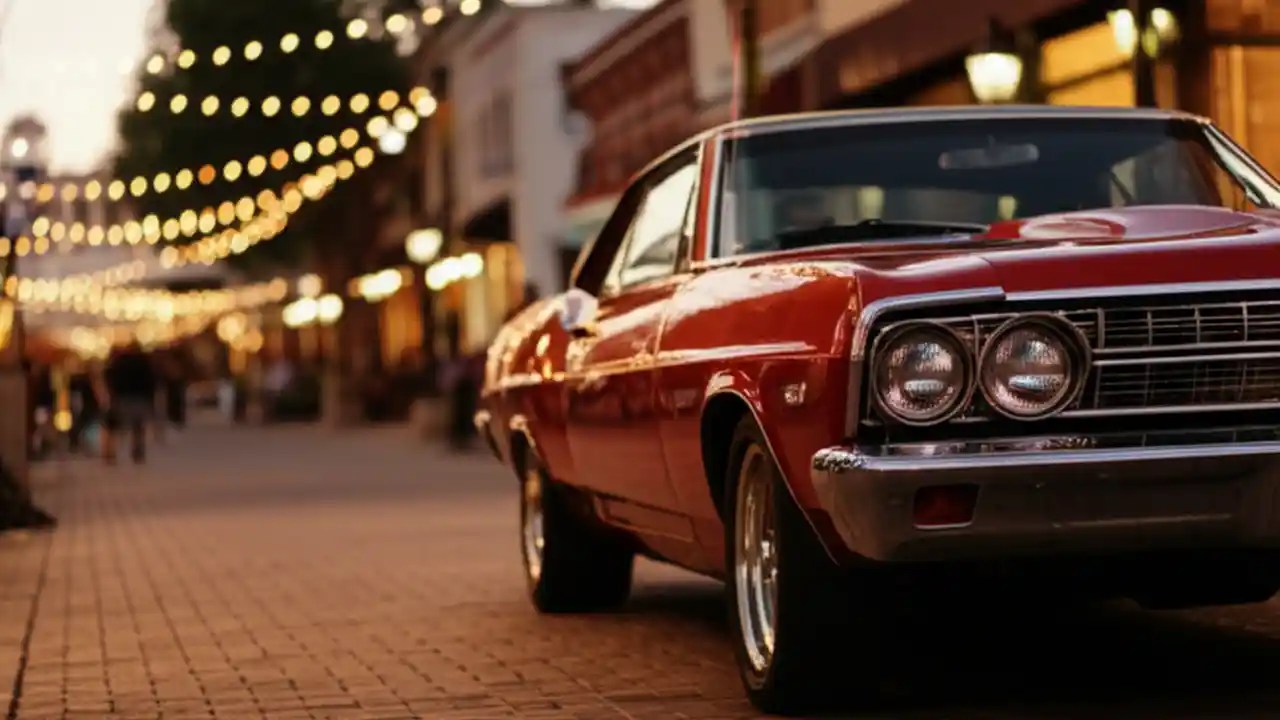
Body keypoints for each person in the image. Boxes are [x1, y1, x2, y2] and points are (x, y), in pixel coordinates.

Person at [103, 341, 157, 464]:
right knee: (138, 426)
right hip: (140, 397)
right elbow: (151, 381)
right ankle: (138, 451)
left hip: (122, 397)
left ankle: (110, 453)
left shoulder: (120, 362)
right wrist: (150, 398)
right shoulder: (144, 363)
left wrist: (113, 394)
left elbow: (111, 378)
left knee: (115, 426)